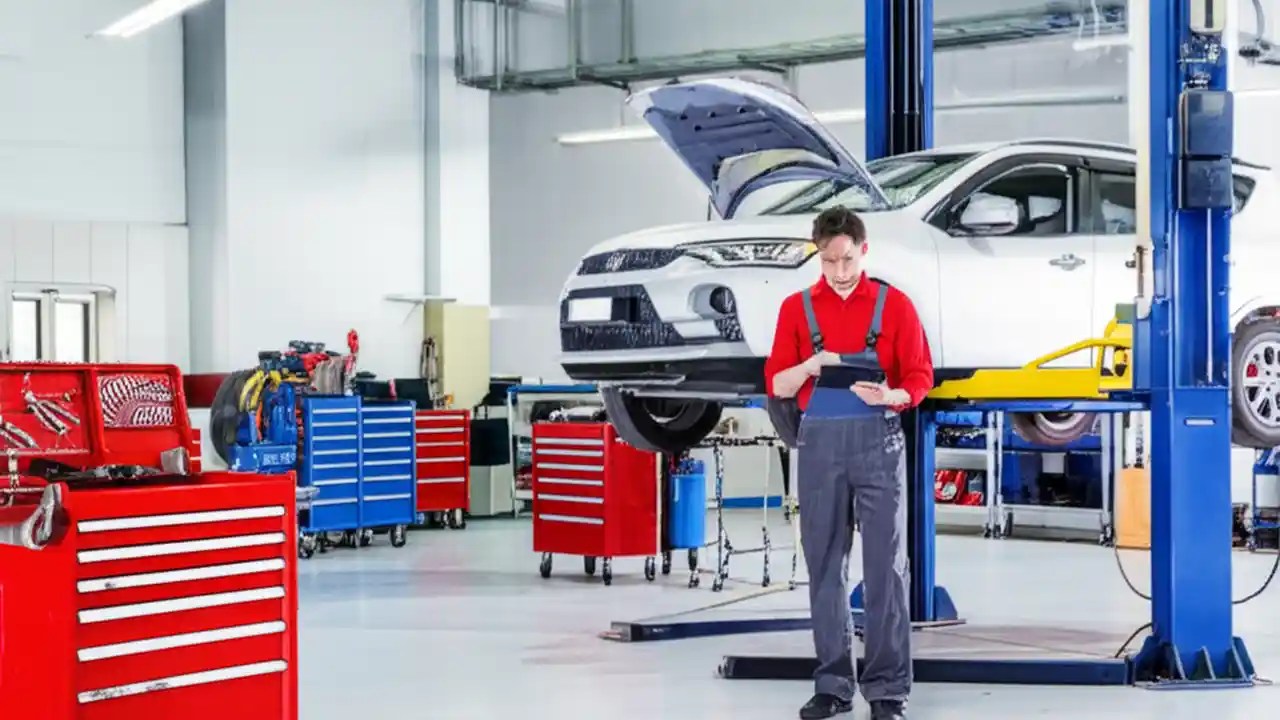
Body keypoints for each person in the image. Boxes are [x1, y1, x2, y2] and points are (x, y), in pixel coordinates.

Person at [764, 205, 934, 720]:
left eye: (847, 259)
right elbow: (776, 383)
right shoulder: (796, 309)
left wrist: (893, 395)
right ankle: (834, 685)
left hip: (878, 442)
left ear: (864, 250)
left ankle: (887, 693)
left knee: (886, 570)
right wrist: (812, 364)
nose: (839, 272)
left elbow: (921, 376)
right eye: (829, 261)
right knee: (824, 567)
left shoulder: (895, 305)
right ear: (818, 255)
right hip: (819, 446)